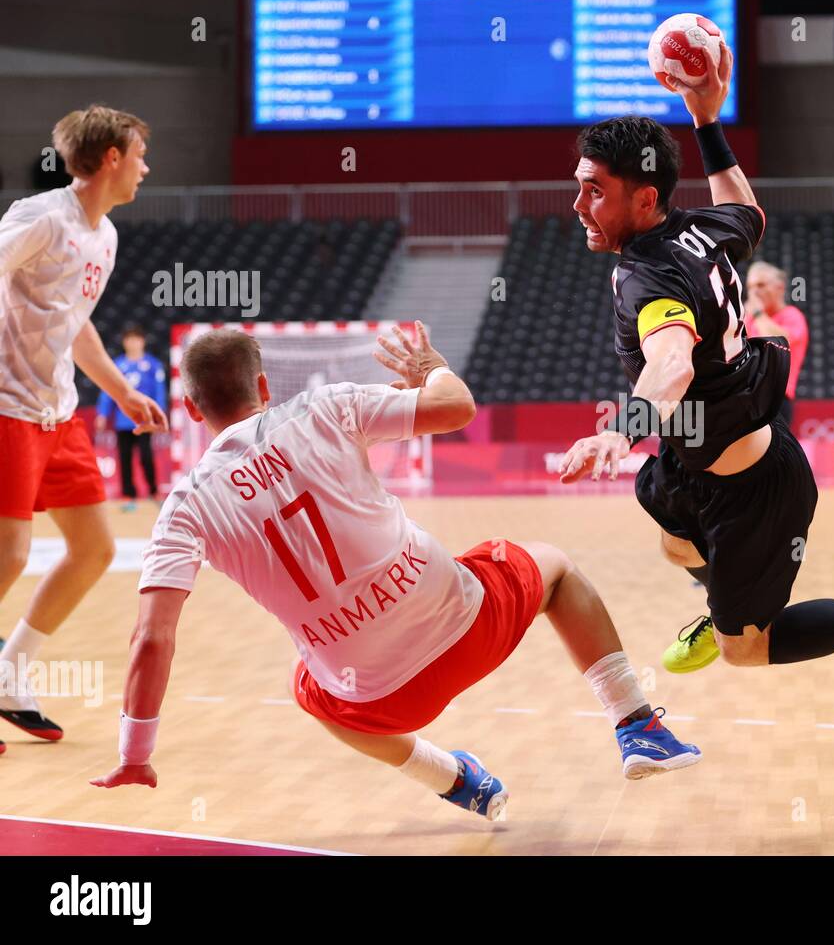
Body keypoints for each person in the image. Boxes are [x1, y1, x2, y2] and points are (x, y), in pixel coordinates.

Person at [90, 326, 698, 817]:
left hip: (382, 699)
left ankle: (456, 780)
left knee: (311, 692)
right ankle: (636, 723)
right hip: (470, 626)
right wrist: (431, 367)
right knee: (557, 570)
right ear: (266, 386)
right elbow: (456, 407)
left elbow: (152, 638)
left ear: (191, 409)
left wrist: (135, 752)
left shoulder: (185, 505)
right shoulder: (323, 406)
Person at [558, 43, 834, 712]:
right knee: (673, 543)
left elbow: (670, 361)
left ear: (645, 198)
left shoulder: (648, 273)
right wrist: (707, 121)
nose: (578, 203)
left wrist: (621, 432)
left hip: (752, 491)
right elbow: (750, 214)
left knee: (744, 648)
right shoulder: (700, 230)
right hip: (694, 461)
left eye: (594, 189)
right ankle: (720, 596)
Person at [0, 106, 166, 754]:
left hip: (60, 409)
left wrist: (121, 390)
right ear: (111, 159)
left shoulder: (106, 235)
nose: (147, 168)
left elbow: (75, 322)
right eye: (140, 155)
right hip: (8, 405)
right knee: (12, 553)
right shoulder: (40, 219)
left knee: (94, 548)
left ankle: (9, 670)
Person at [96, 325, 168, 508]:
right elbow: (108, 391)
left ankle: (153, 491)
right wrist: (102, 414)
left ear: (142, 341)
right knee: (124, 458)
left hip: (145, 420)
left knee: (146, 456)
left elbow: (159, 392)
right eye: (129, 339)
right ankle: (128, 494)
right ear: (124, 342)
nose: (133, 343)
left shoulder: (153, 365)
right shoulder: (118, 365)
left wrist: (158, 413)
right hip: (123, 422)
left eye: (136, 339)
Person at [743, 261, 807, 424]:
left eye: (761, 285)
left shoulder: (793, 316)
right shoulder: (747, 318)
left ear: (780, 287)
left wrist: (757, 313)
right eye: (750, 287)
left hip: (776, 400)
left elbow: (777, 344)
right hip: (744, 398)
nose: (754, 292)